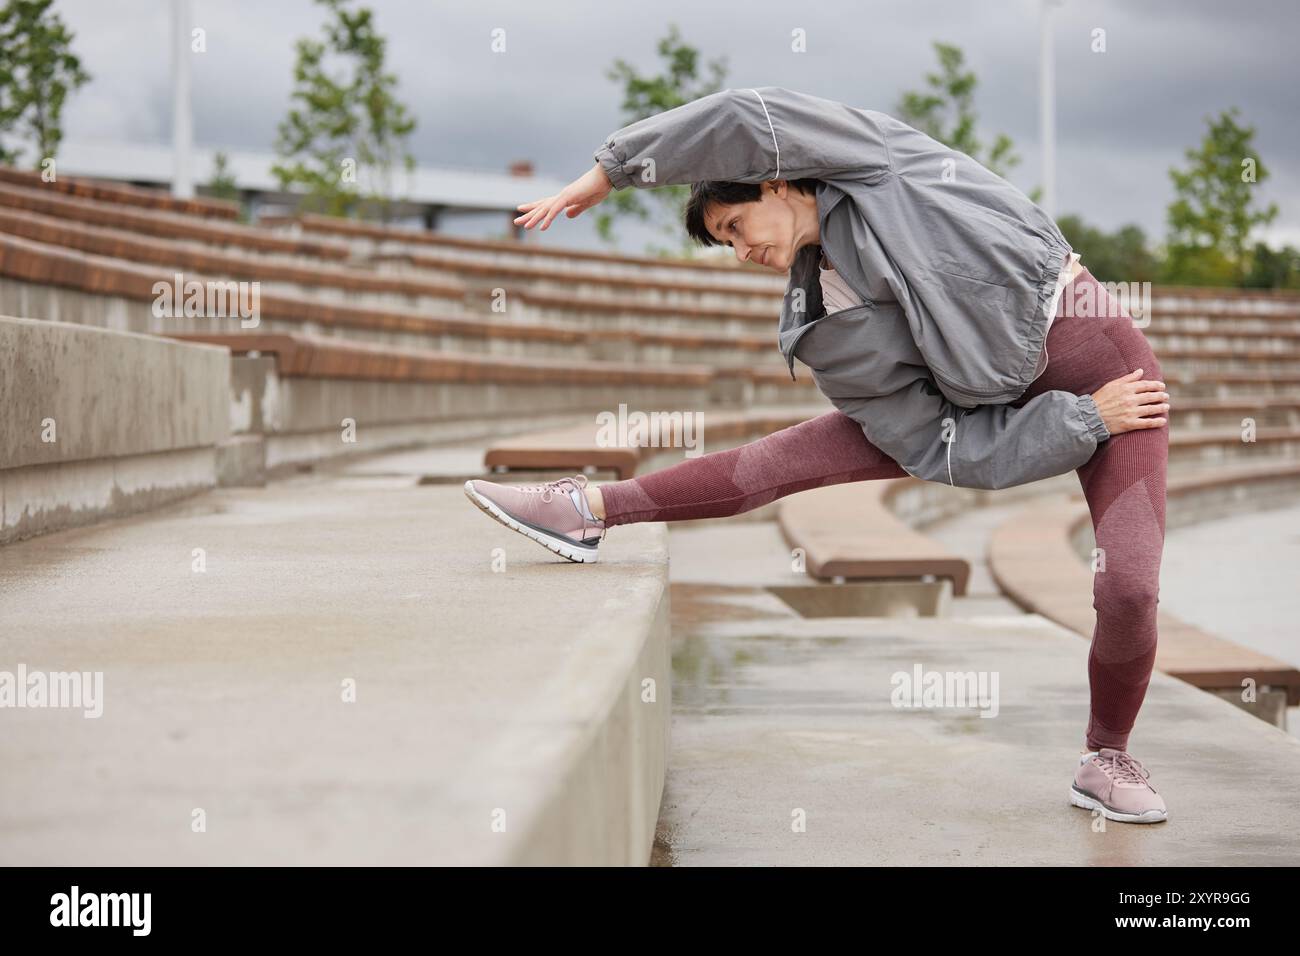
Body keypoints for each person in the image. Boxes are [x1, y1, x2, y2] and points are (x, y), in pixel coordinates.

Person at [462, 87, 1172, 825]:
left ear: (775, 181)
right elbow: (937, 446)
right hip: (990, 408)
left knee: (1127, 589)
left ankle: (1105, 754)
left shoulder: (872, 167)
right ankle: (586, 511)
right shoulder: (822, 327)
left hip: (1105, 371)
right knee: (781, 461)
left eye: (736, 225)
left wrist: (611, 170)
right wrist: (1078, 422)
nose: (742, 252)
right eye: (727, 244)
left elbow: (741, 115)